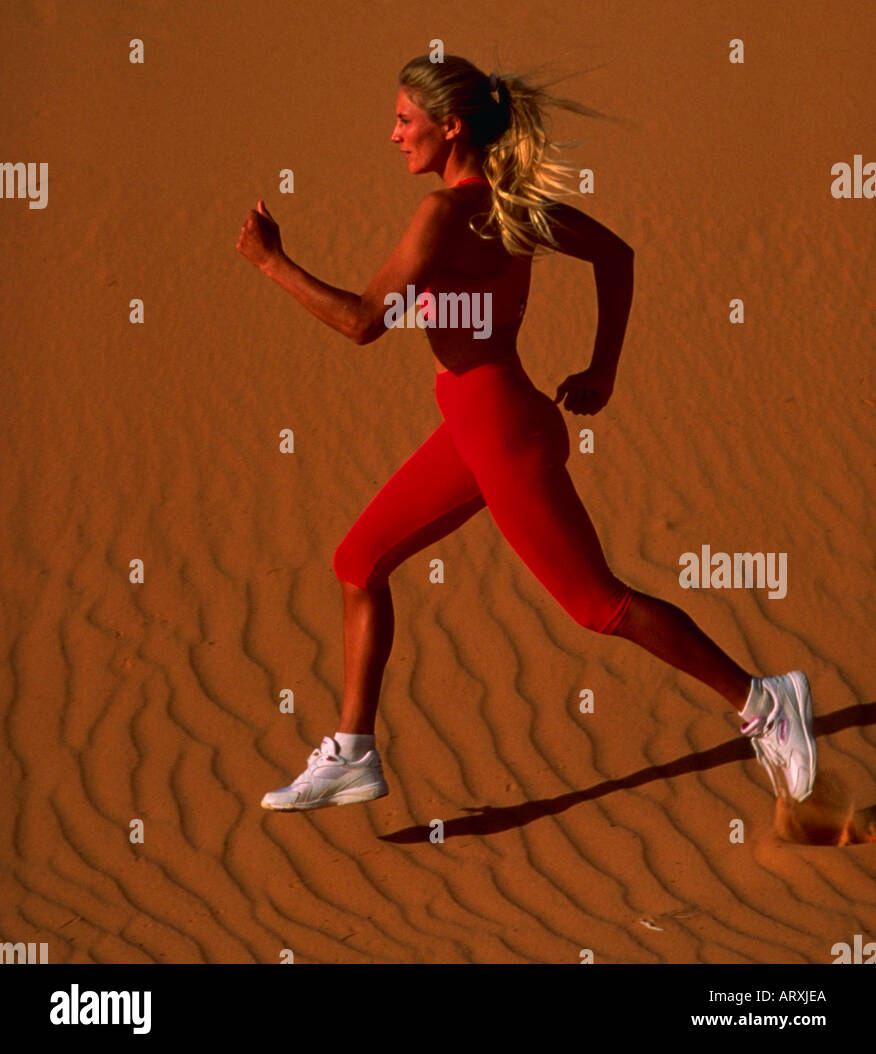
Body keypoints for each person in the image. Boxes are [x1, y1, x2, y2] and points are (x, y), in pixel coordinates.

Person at [236, 54, 817, 813]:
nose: (393, 135)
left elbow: (361, 323)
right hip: (479, 422)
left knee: (598, 605)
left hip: (501, 431)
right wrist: (601, 369)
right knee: (358, 562)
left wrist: (271, 262)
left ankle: (764, 701)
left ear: (449, 128)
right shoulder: (509, 204)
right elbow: (618, 255)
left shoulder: (444, 215)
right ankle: (353, 750)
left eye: (405, 120)